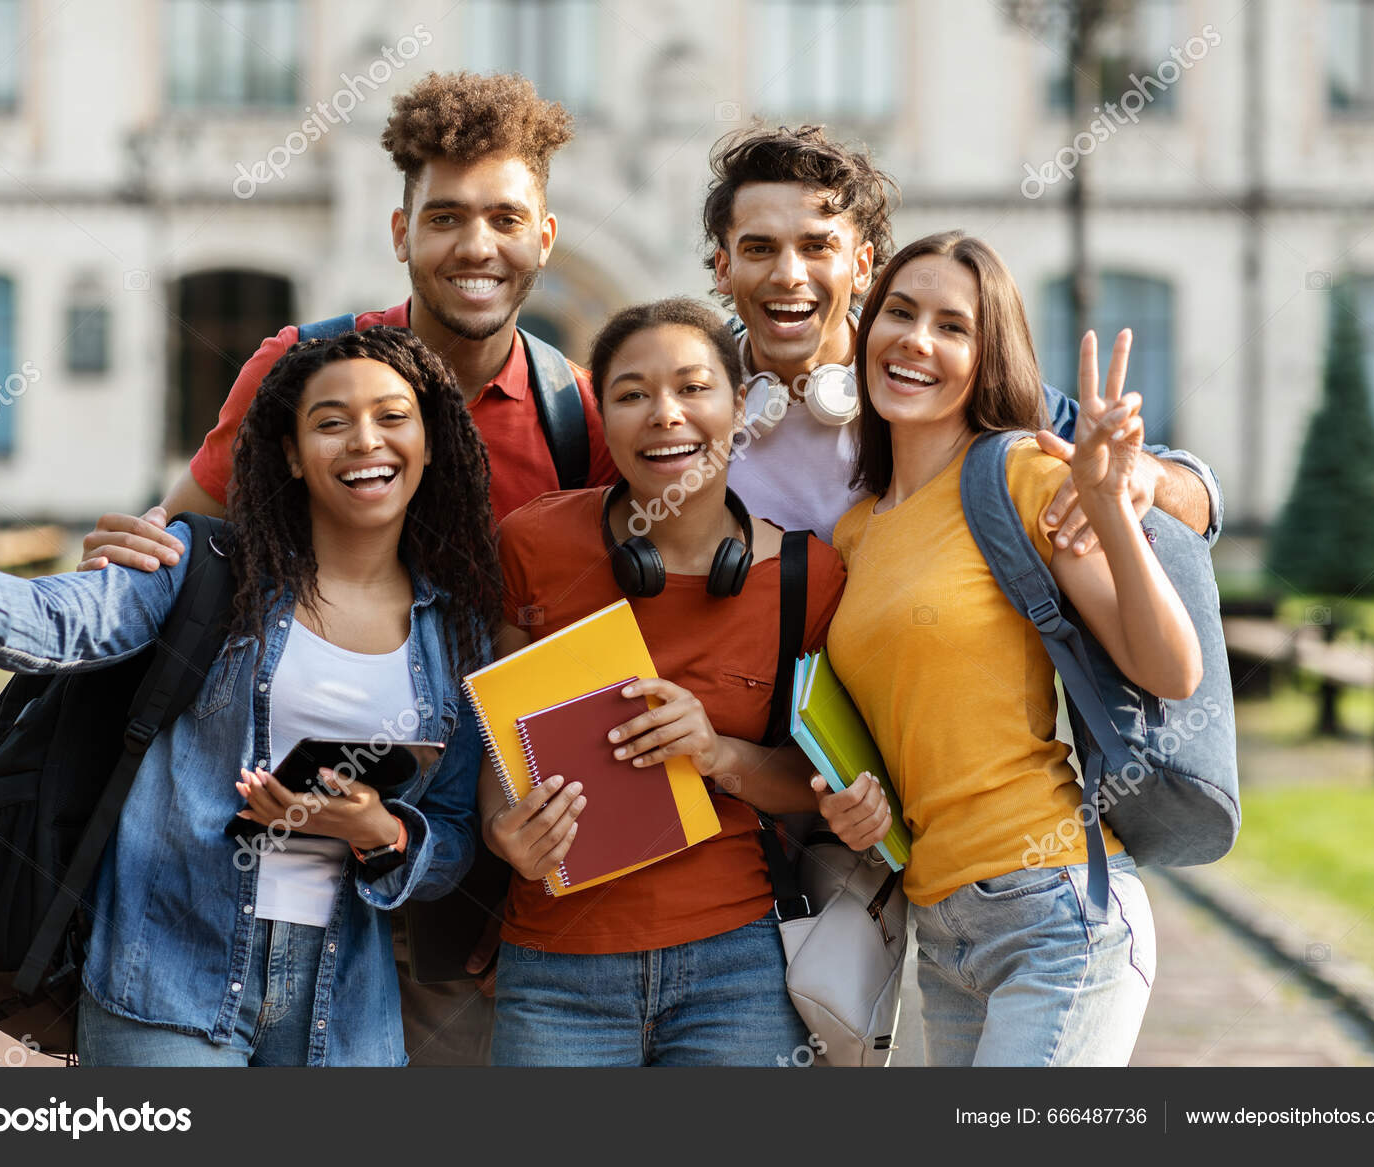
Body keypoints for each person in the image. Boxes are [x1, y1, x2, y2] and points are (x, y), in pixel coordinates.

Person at [73, 71, 618, 1065]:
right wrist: (132, 548)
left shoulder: (579, 414)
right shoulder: (298, 368)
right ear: (401, 231)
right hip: (258, 871)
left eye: (505, 217)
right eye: (446, 216)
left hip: (466, 878)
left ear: (544, 234)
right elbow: (187, 534)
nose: (476, 245)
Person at [0, 327, 499, 1066]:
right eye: (331, 422)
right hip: (170, 978)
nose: (365, 440)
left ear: (429, 443)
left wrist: (381, 832)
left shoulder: (457, 631)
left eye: (393, 417)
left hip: (344, 1012)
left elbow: (455, 831)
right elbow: (65, 620)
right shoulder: (207, 569)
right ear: (293, 456)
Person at [816, 231, 1202, 1066]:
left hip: (1057, 908)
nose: (918, 340)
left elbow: (1173, 666)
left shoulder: (1022, 474)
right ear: (866, 329)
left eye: (954, 327)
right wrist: (857, 801)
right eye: (901, 312)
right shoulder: (855, 530)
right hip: (942, 930)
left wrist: (1105, 508)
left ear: (987, 359)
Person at [480, 297, 849, 1066]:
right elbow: (497, 744)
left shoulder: (809, 578)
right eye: (632, 394)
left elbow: (815, 781)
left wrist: (718, 753)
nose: (665, 414)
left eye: (693, 387)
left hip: (738, 967)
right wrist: (502, 833)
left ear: (741, 404)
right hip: (556, 970)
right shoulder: (531, 543)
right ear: (605, 420)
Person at [703, 124, 1222, 549]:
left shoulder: (935, 380)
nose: (788, 274)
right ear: (724, 269)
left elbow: (1199, 496)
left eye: (817, 247)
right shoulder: (682, 396)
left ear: (861, 267)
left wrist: (1146, 480)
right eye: (759, 249)